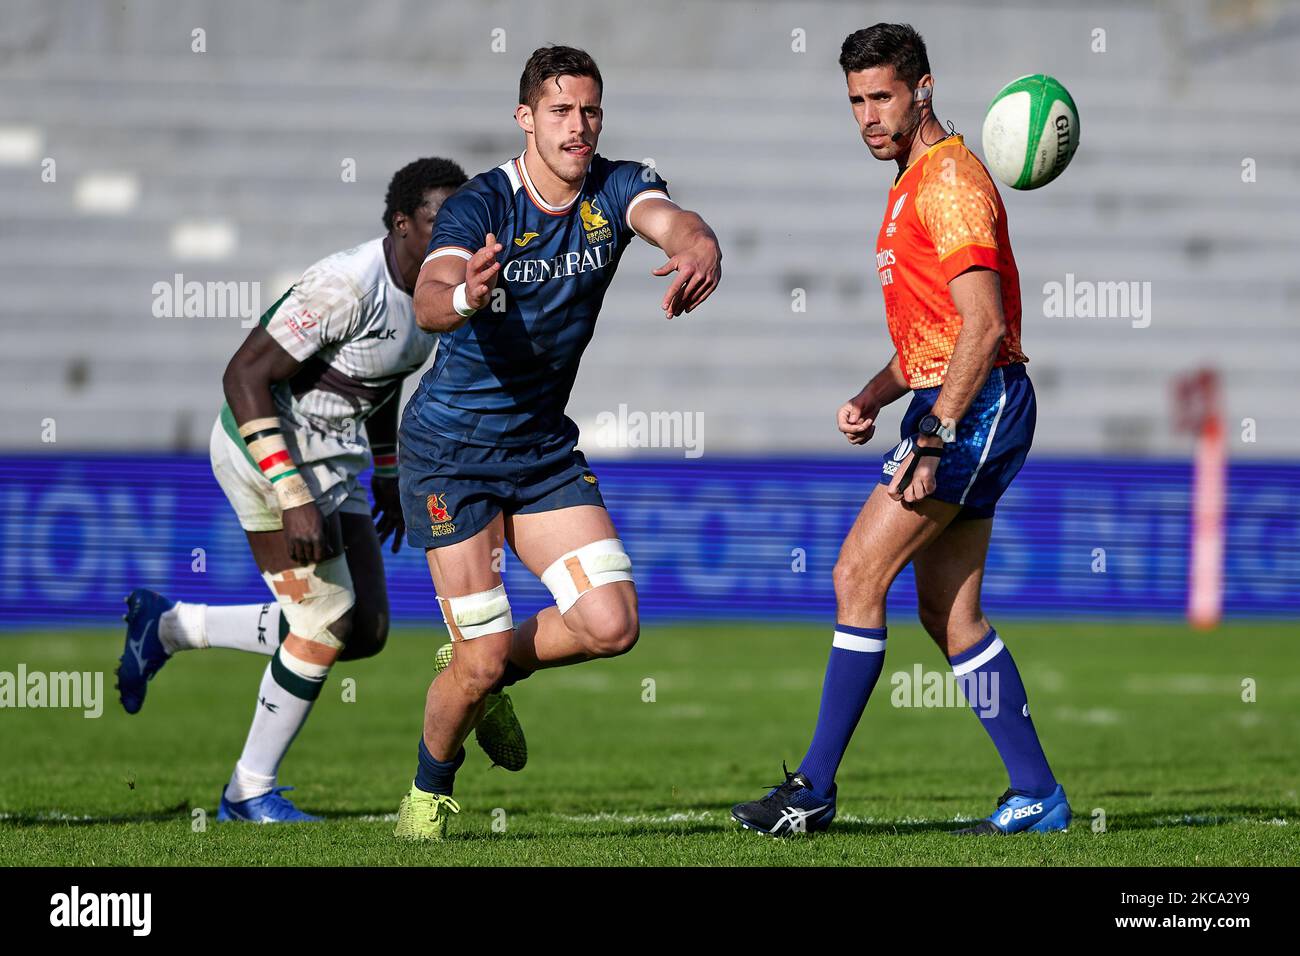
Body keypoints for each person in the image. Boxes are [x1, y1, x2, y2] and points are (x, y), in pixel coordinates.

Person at [732, 23, 1070, 837]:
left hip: (975, 403)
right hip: (957, 400)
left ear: (922, 88)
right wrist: (878, 393)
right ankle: (1038, 796)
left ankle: (812, 788)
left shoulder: (947, 181)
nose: (867, 116)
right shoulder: (914, 180)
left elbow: (982, 328)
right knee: (950, 618)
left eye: (881, 95)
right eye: (855, 100)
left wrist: (934, 433)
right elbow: (935, 332)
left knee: (857, 575)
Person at [392, 45, 722, 841]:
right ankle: (427, 796)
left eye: (590, 111)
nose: (578, 127)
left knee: (612, 624)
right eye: (560, 112)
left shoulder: (615, 186)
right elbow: (430, 296)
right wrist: (463, 294)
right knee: (471, 667)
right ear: (525, 119)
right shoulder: (483, 205)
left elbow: (669, 219)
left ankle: (492, 661)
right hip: (451, 453)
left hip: (539, 451)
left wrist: (699, 244)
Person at [117, 157, 469, 823]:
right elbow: (243, 375)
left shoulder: (433, 290)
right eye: (438, 223)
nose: (455, 236)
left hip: (335, 460)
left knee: (364, 629)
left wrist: (389, 471)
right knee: (326, 622)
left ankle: (168, 627)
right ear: (401, 224)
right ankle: (248, 791)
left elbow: (384, 377)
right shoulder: (344, 285)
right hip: (267, 454)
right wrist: (292, 493)